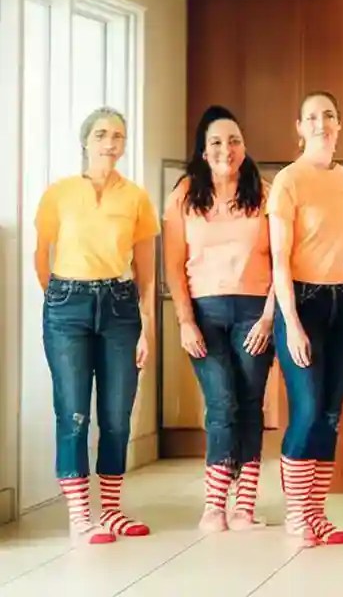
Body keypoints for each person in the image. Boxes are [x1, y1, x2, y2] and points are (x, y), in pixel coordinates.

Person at [35, 107, 158, 545]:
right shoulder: (59, 193)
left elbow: (146, 271)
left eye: (119, 136)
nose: (111, 143)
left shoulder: (137, 198)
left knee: (117, 417)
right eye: (102, 134)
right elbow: (42, 255)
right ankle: (79, 516)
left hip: (121, 307)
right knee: (73, 415)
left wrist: (147, 327)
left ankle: (111, 511)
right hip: (67, 305)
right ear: (85, 140)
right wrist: (59, 298)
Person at [163, 106, 274, 534]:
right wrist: (185, 320)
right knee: (222, 402)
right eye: (216, 142)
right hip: (204, 313)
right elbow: (174, 264)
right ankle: (214, 505)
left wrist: (268, 319)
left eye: (233, 141)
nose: (225, 149)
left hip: (254, 312)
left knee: (249, 405)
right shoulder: (184, 194)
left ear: (244, 149)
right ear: (203, 151)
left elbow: (281, 261)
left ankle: (243, 507)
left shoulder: (264, 194)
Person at [269, 91, 343, 547]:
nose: (320, 123)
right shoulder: (288, 181)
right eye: (311, 116)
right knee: (307, 411)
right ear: (299, 126)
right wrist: (290, 322)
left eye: (328, 115)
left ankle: (316, 514)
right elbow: (279, 258)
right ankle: (296, 515)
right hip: (303, 304)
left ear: (339, 124)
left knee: (330, 414)